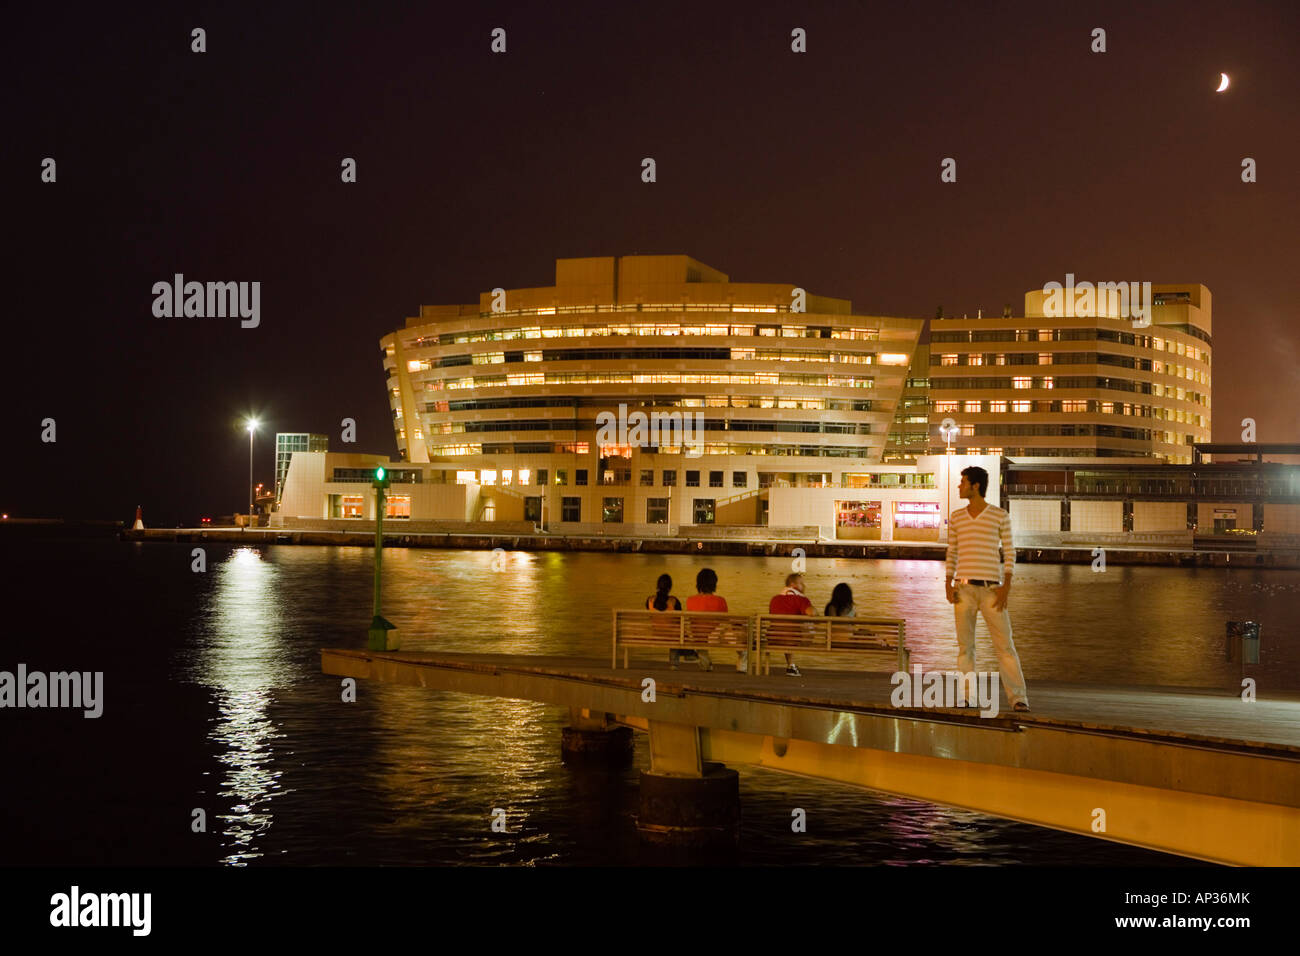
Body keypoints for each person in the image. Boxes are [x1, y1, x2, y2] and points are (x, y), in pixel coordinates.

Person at [944, 465, 1030, 712]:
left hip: (992, 589)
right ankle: (967, 697)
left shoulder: (999, 515)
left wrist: (1007, 585)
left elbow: (1010, 550)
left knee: (1005, 646)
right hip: (964, 588)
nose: (959, 486)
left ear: (976, 486)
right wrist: (947, 582)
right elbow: (952, 552)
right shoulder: (957, 517)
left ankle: (1018, 697)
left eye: (963, 482)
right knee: (965, 647)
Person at [684, 568, 734, 672]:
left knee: (698, 632)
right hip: (714, 637)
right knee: (729, 629)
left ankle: (705, 661)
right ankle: (743, 662)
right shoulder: (720, 601)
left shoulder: (690, 600)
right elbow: (725, 621)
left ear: (698, 583)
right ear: (714, 584)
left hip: (696, 637)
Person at [768, 572, 816, 676]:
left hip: (774, 638)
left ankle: (791, 665)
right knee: (795, 631)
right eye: (801, 583)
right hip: (795, 639)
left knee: (787, 630)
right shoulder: (801, 599)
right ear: (793, 585)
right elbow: (811, 613)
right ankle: (791, 666)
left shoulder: (774, 599)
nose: (804, 586)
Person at [646, 573, 691, 668]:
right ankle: (680, 659)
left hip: (655, 633)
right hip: (672, 635)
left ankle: (688, 654)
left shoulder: (650, 600)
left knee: (676, 631)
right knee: (678, 631)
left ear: (657, 586)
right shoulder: (674, 601)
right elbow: (680, 618)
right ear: (669, 588)